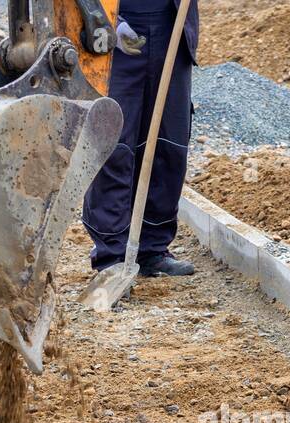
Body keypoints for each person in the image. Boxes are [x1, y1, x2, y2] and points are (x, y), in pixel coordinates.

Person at [82, 0, 200, 277]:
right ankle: (112, 254)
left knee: (168, 142)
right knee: (115, 144)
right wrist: (109, 23)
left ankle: (152, 248)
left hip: (170, 26)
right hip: (113, 29)